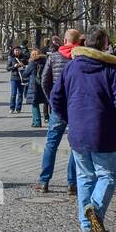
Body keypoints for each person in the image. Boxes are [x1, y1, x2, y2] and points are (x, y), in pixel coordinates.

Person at [49, 27, 116, 232]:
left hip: (78, 130)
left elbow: (55, 96)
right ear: (105, 44)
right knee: (107, 175)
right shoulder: (112, 69)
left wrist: (69, 118)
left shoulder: (72, 67)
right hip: (103, 129)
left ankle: (86, 224)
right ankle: (94, 208)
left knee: (84, 177)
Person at [35, 30, 81, 195]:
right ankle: (72, 183)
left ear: (64, 40)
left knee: (51, 144)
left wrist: (51, 100)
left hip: (58, 106)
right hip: (76, 107)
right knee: (75, 146)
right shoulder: (81, 57)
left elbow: (44, 81)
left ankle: (44, 181)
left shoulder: (53, 56)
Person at [23, 49, 46, 128]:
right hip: (43, 85)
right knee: (45, 103)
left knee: (35, 104)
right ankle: (46, 118)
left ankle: (36, 122)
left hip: (34, 86)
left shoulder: (32, 63)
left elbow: (25, 74)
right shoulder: (44, 62)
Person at [6, 47, 25, 113]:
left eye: (18, 50)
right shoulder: (11, 58)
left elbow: (28, 66)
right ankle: (12, 108)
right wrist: (14, 66)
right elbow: (7, 68)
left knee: (20, 94)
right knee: (13, 94)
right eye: (16, 50)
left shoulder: (24, 58)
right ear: (13, 51)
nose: (17, 51)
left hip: (22, 78)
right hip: (14, 78)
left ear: (20, 51)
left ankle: (18, 108)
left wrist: (23, 65)